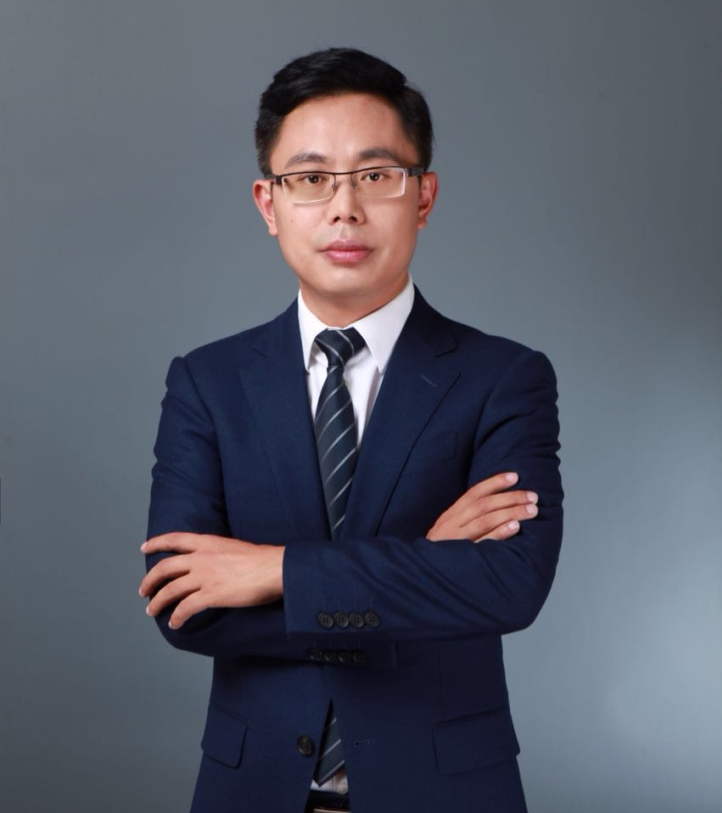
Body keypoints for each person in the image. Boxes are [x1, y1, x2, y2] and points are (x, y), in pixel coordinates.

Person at [139, 47, 563, 813]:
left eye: (376, 175)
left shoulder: (504, 376)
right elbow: (184, 605)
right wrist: (428, 563)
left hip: (445, 792)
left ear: (423, 195)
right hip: (251, 790)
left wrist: (274, 571)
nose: (344, 208)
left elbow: (510, 587)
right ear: (268, 203)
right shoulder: (207, 382)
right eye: (310, 179)